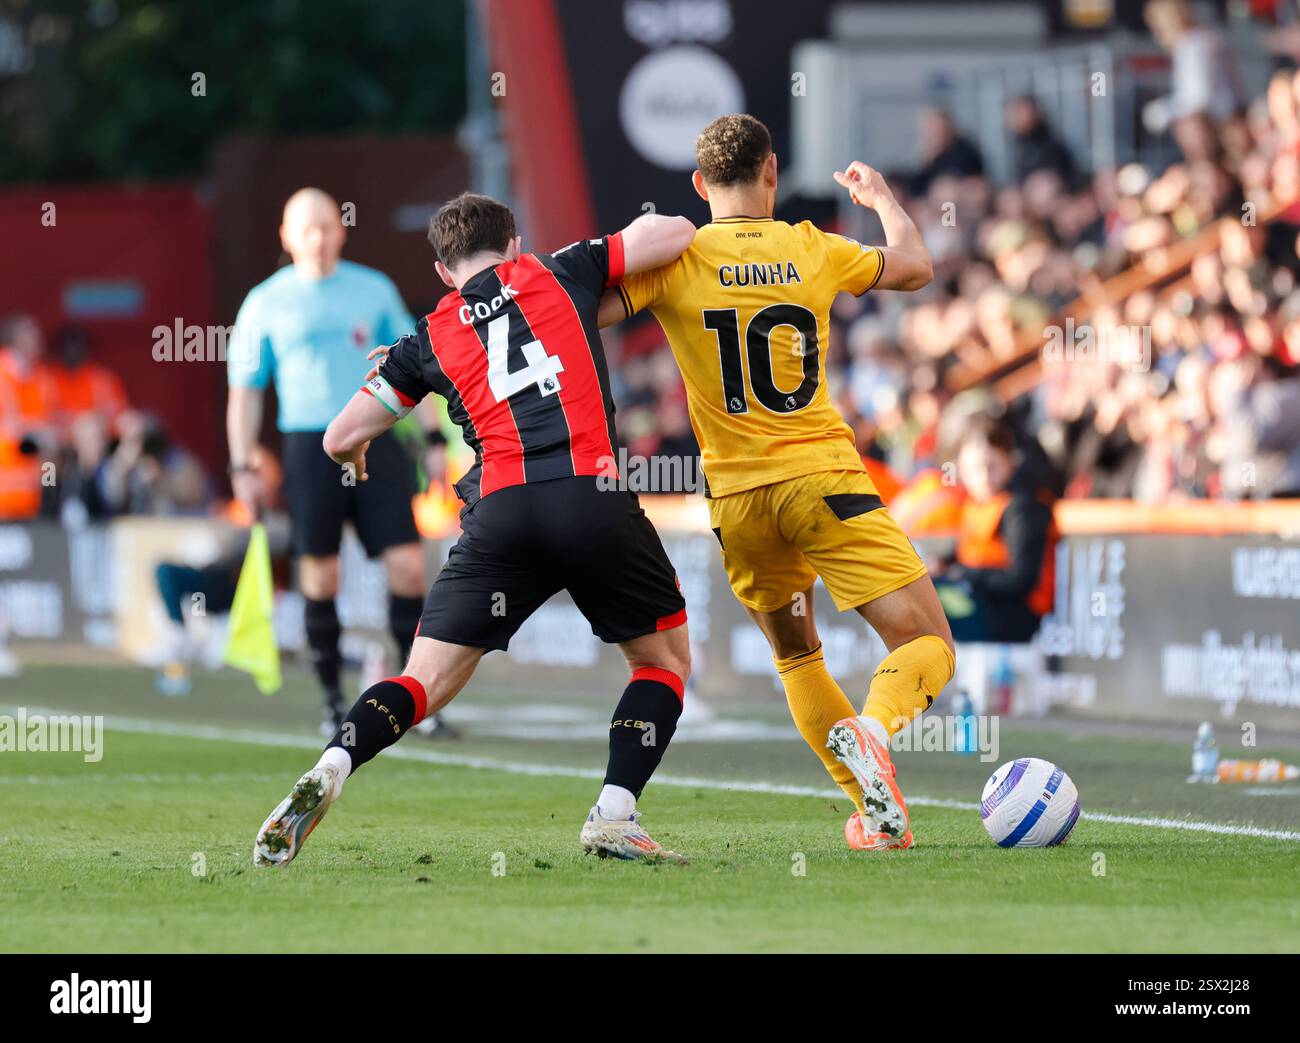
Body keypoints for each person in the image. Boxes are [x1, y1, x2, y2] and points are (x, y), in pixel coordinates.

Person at [252, 192, 698, 867]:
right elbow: (677, 232)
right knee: (661, 663)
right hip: (591, 497)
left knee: (422, 679)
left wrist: (358, 451)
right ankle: (614, 811)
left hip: (502, 515)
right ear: (514, 242)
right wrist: (604, 262)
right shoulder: (563, 271)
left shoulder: (426, 338)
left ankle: (337, 761)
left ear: (441, 272)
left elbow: (340, 434)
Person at [601, 114, 954, 851]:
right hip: (822, 480)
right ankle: (875, 726)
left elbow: (582, 314)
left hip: (738, 502)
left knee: (798, 654)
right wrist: (883, 198)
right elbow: (916, 265)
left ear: (699, 185)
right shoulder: (808, 245)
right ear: (771, 172)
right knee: (927, 640)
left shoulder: (678, 258)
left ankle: (877, 814)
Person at [227, 188, 435, 735]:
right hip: (308, 446)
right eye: (307, 228)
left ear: (342, 229)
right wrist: (242, 465)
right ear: (286, 236)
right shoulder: (264, 301)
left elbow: (418, 361)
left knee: (409, 566)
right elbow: (245, 392)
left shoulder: (372, 288)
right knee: (320, 575)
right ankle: (330, 699)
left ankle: (416, 696)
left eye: (327, 226)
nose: (319, 237)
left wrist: (434, 441)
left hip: (379, 438)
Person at [930, 416, 1056, 644]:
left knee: (933, 599)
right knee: (920, 590)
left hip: (1014, 618)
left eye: (992, 466)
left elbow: (1021, 579)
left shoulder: (1022, 507)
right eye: (975, 470)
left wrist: (966, 575)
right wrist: (939, 565)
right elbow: (961, 553)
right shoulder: (975, 506)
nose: (984, 478)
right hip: (983, 606)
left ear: (1010, 461)